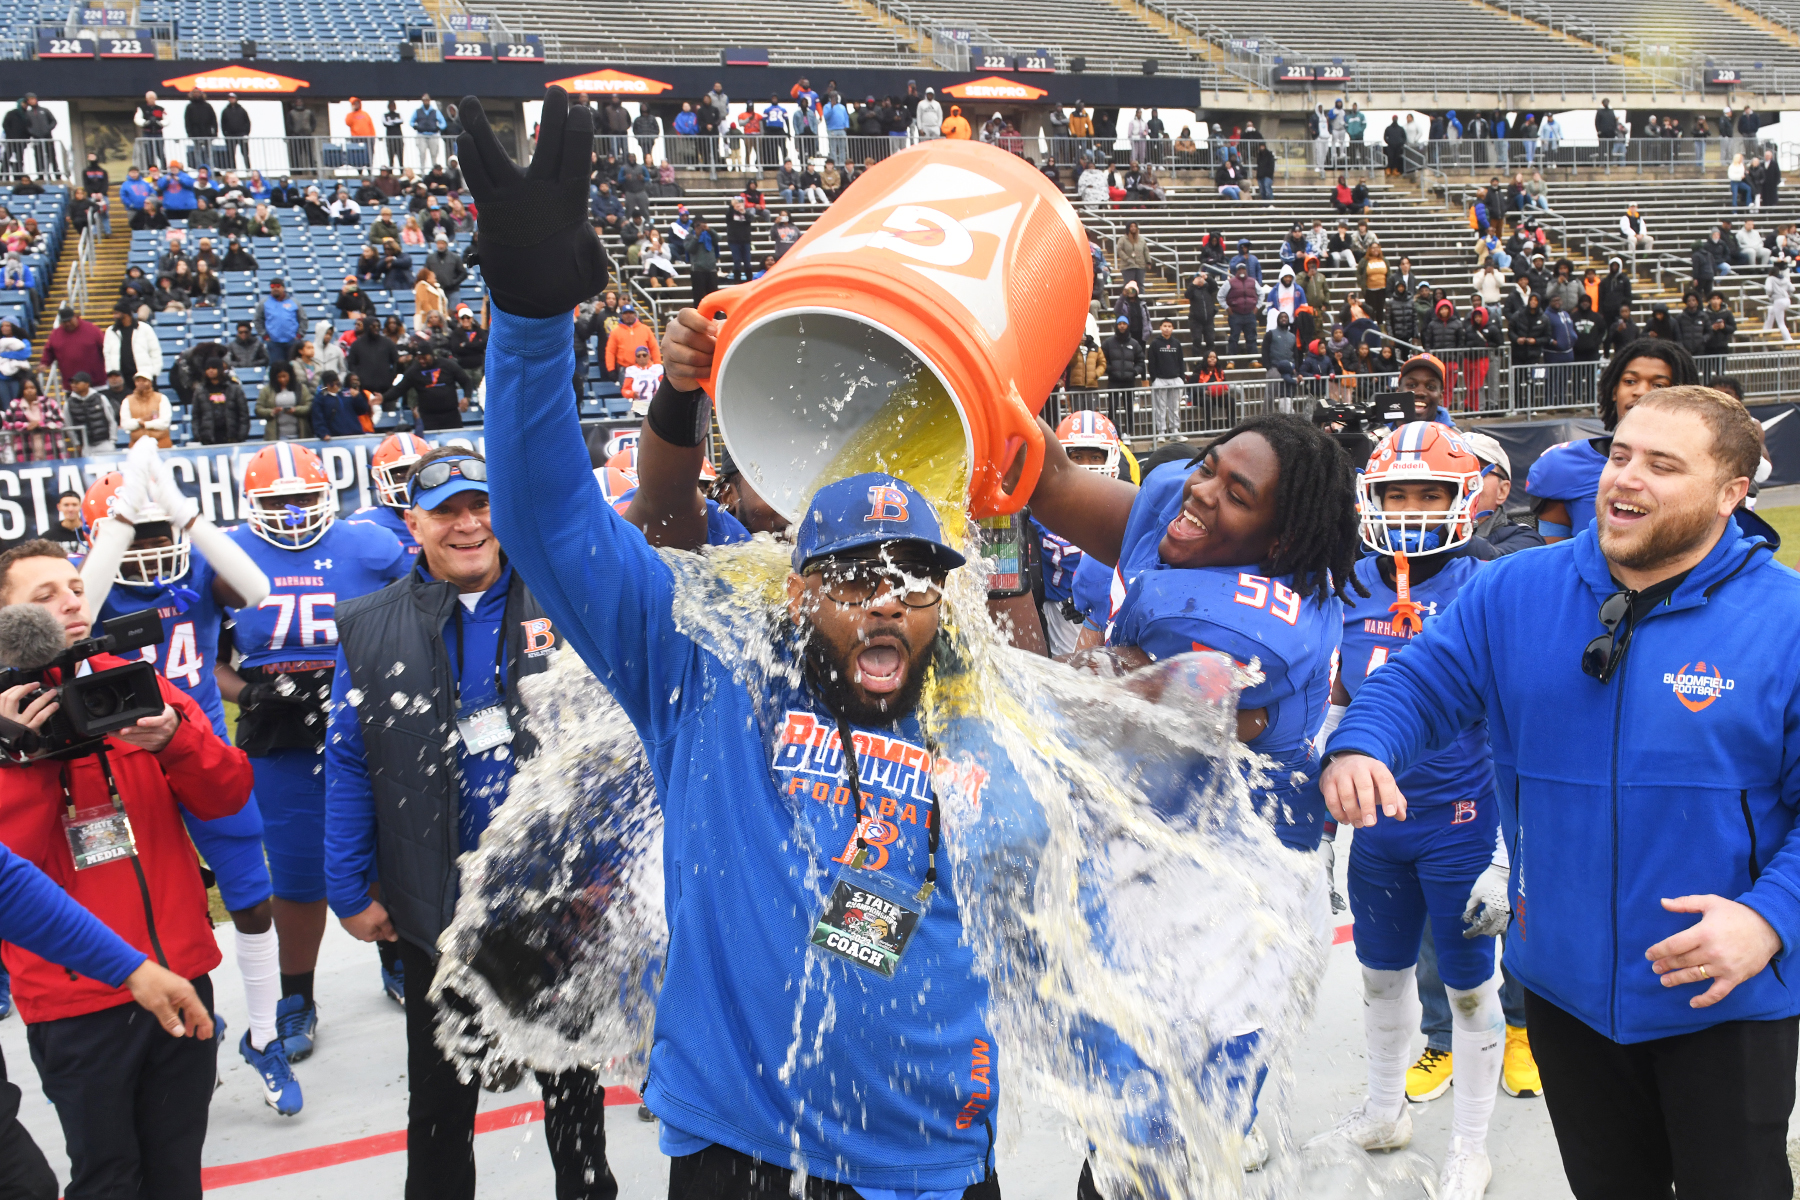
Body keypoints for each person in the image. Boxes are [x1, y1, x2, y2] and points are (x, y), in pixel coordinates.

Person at [1322, 385, 1800, 1200]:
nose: (1626, 480)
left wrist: (1770, 917)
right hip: (1564, 994)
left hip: (1724, 998)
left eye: (1663, 465)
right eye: (1619, 456)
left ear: (1731, 493)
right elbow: (1419, 685)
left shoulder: (1785, 619)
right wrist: (1361, 743)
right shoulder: (1515, 592)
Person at [322, 442, 617, 1196]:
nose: (466, 525)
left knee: (574, 1106)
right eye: (446, 511)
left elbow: (620, 741)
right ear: (412, 522)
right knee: (440, 1111)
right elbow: (353, 759)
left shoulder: (564, 595)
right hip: (435, 908)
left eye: (480, 505)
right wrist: (348, 886)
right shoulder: (367, 627)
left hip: (555, 905)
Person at [0, 533, 251, 1196]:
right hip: (75, 998)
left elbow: (228, 795)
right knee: (108, 1179)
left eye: (76, 588)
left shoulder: (130, 679)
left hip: (179, 971)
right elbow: (9, 869)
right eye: (44, 596)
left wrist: (177, 739)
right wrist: (18, 757)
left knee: (176, 1175)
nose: (71, 604)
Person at [1313, 423, 1507, 1199]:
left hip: (1461, 821)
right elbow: (1332, 701)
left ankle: (1470, 1143)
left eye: (1431, 491)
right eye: (1399, 492)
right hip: (1377, 829)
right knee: (1379, 978)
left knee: (1466, 989)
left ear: (1465, 498)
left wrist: (1507, 850)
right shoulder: (1347, 582)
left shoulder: (1489, 584)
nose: (1414, 506)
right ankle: (1386, 1110)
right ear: (1371, 497)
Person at [79, 441, 301, 1117]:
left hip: (200, 746)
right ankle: (162, 1018)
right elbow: (73, 622)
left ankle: (265, 1035)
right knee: (136, 903)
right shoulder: (86, 581)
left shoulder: (200, 562)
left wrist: (184, 513)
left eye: (160, 534)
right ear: (108, 535)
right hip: (116, 766)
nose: (152, 548)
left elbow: (259, 592)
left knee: (251, 895)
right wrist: (121, 521)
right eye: (135, 535)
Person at [214, 443, 410, 1056]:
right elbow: (208, 661)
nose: (294, 510)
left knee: (387, 848)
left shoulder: (373, 545)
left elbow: (414, 620)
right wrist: (252, 692)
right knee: (298, 872)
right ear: (253, 505)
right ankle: (297, 994)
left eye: (303, 497)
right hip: (281, 732)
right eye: (280, 501)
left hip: (366, 714)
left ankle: (397, 956)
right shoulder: (226, 556)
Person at [1528, 340, 1697, 542]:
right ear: (1614, 391)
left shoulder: (1705, 467)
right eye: (1630, 381)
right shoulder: (1564, 465)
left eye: (1658, 385)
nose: (1640, 391)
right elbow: (1553, 561)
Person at [382, 345, 474, 432]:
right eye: (419, 358)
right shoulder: (414, 370)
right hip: (429, 417)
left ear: (432, 355)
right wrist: (383, 397)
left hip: (451, 414)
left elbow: (466, 381)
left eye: (424, 357)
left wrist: (467, 397)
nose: (422, 361)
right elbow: (399, 389)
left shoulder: (448, 365)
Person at [1145, 318, 1186, 439]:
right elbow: (1151, 363)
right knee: (1160, 408)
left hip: (1175, 378)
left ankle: (1175, 431)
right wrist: (1154, 379)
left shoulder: (1176, 343)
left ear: (1172, 328)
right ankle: (1161, 432)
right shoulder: (1155, 343)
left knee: (1175, 407)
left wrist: (1181, 378)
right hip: (1160, 379)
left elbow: (1181, 361)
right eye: (1165, 326)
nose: (1167, 328)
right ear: (1160, 328)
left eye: (1169, 326)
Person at [257, 278, 304, 364]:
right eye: (272, 286)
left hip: (292, 341)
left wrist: (299, 335)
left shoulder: (294, 302)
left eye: (278, 286)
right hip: (274, 343)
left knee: (294, 368)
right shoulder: (264, 303)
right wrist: (265, 336)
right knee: (277, 368)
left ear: (283, 288)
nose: (275, 288)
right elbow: (257, 320)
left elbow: (303, 319)